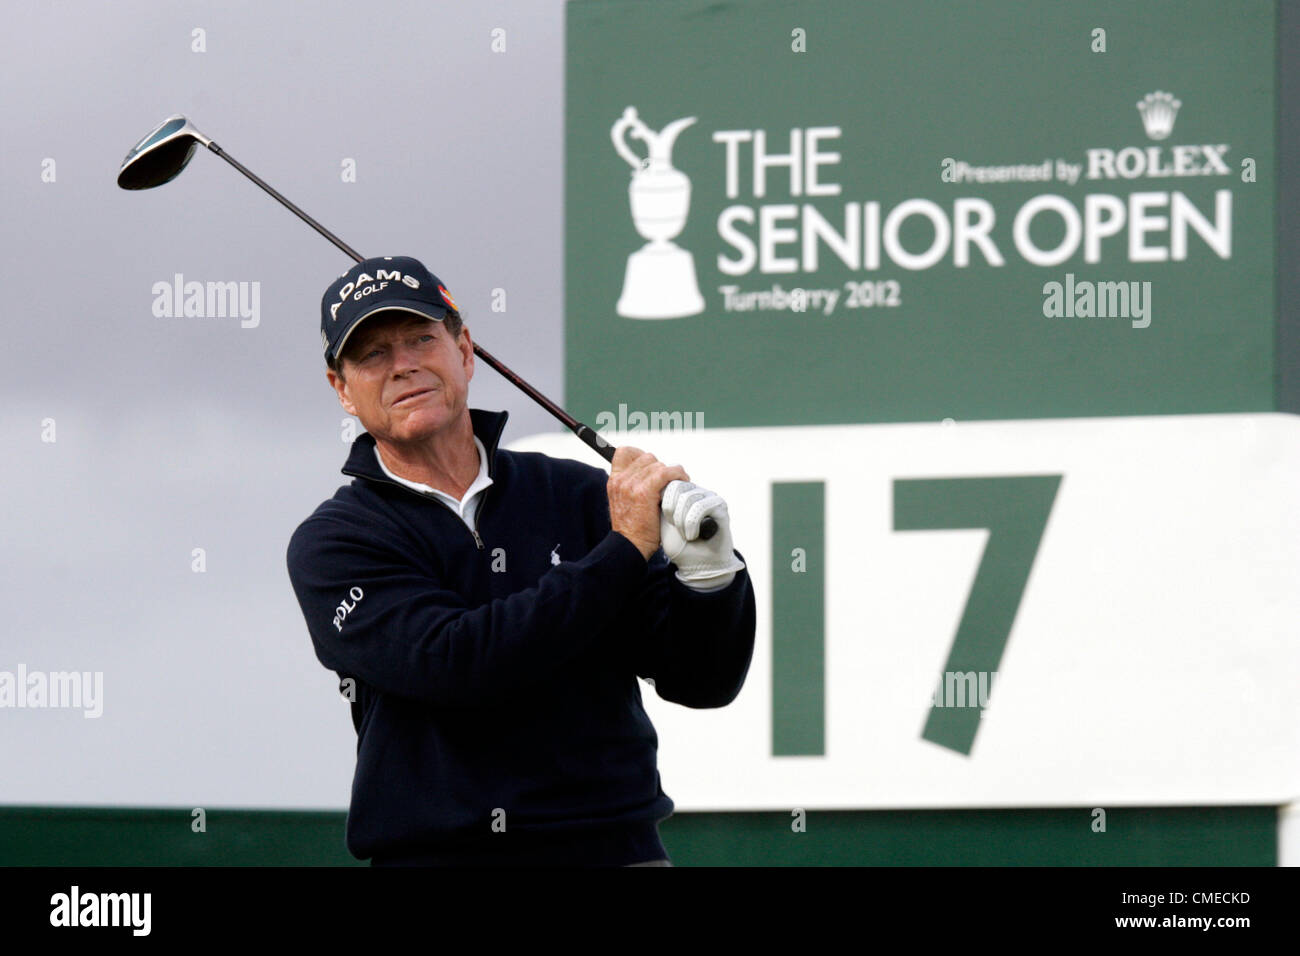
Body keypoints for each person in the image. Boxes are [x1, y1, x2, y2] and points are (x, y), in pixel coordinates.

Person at [285, 255, 756, 866]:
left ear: (465, 350)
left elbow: (702, 682)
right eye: (372, 354)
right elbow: (459, 662)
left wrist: (711, 577)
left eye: (422, 338)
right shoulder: (336, 543)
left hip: (617, 852)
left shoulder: (582, 496)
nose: (403, 365)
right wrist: (623, 551)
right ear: (342, 390)